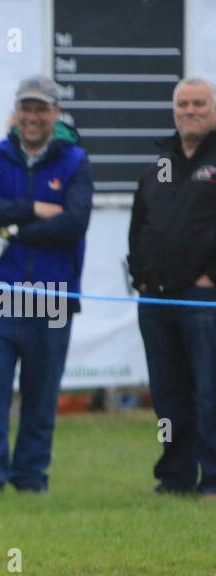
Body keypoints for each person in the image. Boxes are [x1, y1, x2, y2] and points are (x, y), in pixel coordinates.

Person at [0, 76, 92, 493]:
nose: (32, 117)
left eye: (41, 109)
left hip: (52, 297)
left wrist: (11, 229)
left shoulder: (75, 160)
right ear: (15, 112)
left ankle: (31, 477)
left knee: (41, 394)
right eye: (26, 108)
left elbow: (74, 223)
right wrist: (33, 210)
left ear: (55, 113)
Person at [128, 77, 216, 499]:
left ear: (213, 110)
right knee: (167, 395)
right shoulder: (156, 167)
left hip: (204, 298)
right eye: (183, 104)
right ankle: (175, 475)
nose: (191, 111)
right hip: (156, 299)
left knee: (209, 391)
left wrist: (210, 278)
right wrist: (140, 275)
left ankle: (213, 478)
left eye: (199, 103)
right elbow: (139, 226)